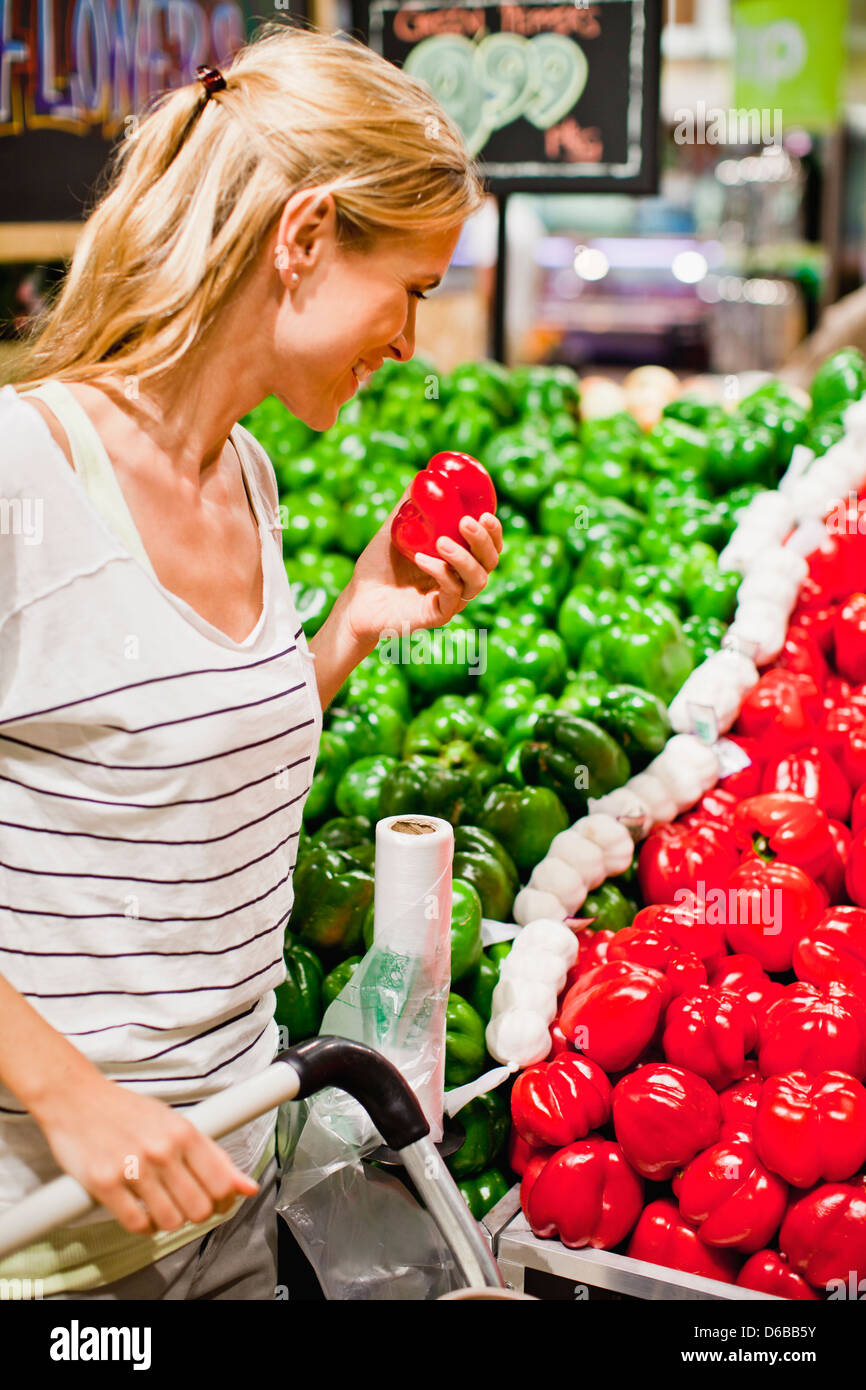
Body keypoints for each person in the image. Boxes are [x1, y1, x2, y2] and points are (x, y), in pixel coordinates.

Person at [0, 23, 499, 1300]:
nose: (409, 340)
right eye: (413, 288)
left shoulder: (247, 474)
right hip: (46, 1236)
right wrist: (71, 1096)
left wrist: (346, 629)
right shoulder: (24, 471)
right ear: (303, 237)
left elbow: (180, 792)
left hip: (226, 1194)